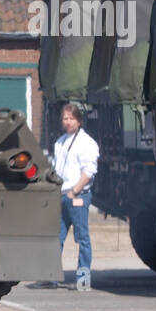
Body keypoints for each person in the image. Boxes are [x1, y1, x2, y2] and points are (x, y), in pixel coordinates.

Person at [54, 102, 99, 288]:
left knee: (82, 238)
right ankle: (52, 276)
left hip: (77, 195)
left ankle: (83, 279)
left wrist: (74, 191)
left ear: (79, 121)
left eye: (72, 118)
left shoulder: (86, 143)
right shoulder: (60, 142)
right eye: (65, 118)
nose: (68, 122)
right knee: (57, 237)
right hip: (62, 195)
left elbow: (89, 171)